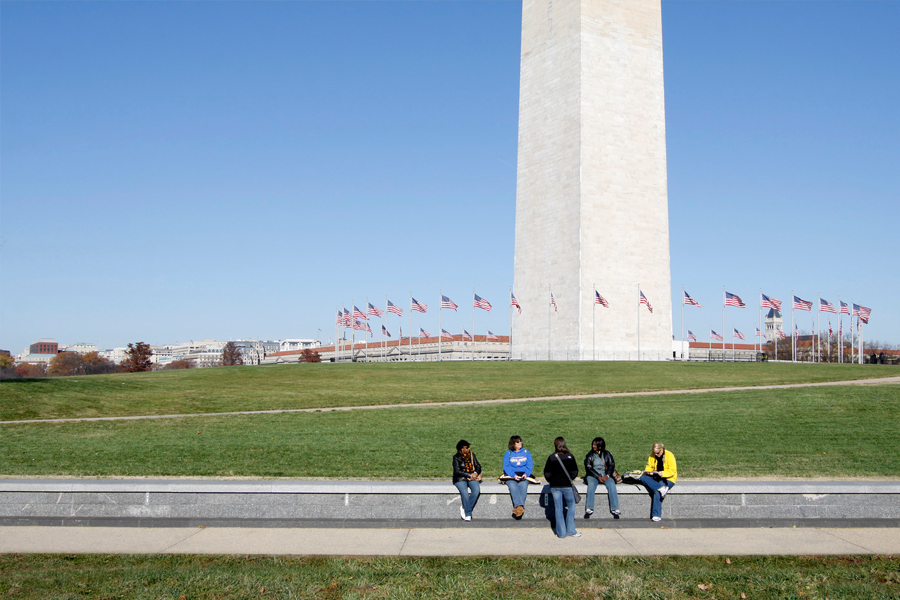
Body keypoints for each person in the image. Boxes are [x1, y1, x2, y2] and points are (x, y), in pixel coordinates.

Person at [543, 436, 581, 538]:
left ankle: (561, 533)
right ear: (564, 444)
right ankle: (571, 530)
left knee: (558, 508)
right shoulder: (570, 457)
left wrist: (552, 481)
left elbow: (547, 473)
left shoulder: (552, 457)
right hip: (567, 485)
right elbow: (575, 471)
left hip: (555, 486)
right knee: (571, 506)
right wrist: (569, 479)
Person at [639, 442, 677, 522]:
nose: (656, 454)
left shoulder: (669, 455)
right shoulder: (652, 456)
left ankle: (656, 515)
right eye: (654, 453)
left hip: (668, 479)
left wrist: (663, 473)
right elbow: (649, 466)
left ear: (662, 450)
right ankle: (660, 488)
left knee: (657, 492)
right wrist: (648, 471)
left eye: (658, 453)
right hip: (656, 477)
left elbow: (673, 471)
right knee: (643, 477)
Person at [583, 437, 620, 518]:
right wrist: (597, 476)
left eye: (595, 445)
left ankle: (615, 508)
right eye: (593, 444)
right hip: (593, 475)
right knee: (591, 485)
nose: (593, 446)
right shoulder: (590, 455)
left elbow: (611, 465)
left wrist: (607, 475)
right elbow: (588, 467)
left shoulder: (607, 454)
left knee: (611, 485)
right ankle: (589, 508)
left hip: (605, 474)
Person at [502, 435, 534, 519]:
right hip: (511, 475)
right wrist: (513, 475)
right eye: (518, 441)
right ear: (513, 443)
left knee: (523, 485)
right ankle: (520, 507)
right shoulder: (508, 453)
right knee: (512, 485)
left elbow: (529, 465)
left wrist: (526, 474)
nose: (520, 443)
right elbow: (506, 466)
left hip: (523, 474)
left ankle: (518, 507)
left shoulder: (526, 452)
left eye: (520, 441)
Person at [452, 439, 482, 522]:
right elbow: (457, 471)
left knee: (476, 490)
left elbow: (478, 466)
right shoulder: (456, 457)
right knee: (464, 492)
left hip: (472, 477)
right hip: (460, 478)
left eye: (469, 447)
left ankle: (465, 507)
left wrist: (475, 473)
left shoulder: (472, 455)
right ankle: (468, 513)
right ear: (461, 449)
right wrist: (469, 475)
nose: (469, 449)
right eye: (467, 447)